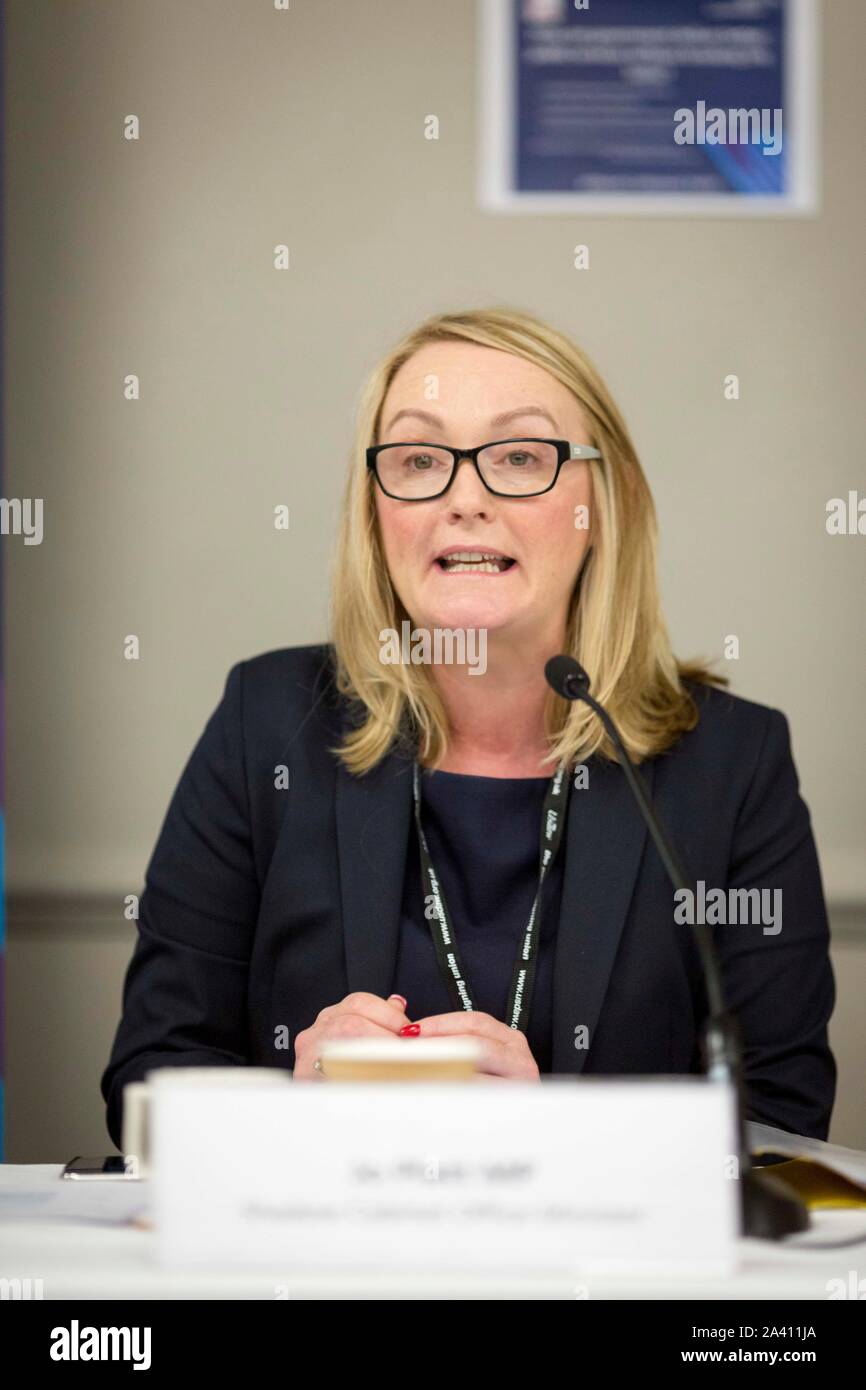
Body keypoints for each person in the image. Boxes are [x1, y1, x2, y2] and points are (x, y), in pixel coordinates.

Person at [100, 307, 836, 1148]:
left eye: (520, 456)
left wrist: (553, 1138)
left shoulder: (735, 761)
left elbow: (782, 1115)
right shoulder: (263, 721)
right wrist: (284, 1111)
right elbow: (146, 1082)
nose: (465, 498)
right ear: (376, 513)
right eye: (418, 459)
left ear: (604, 502)